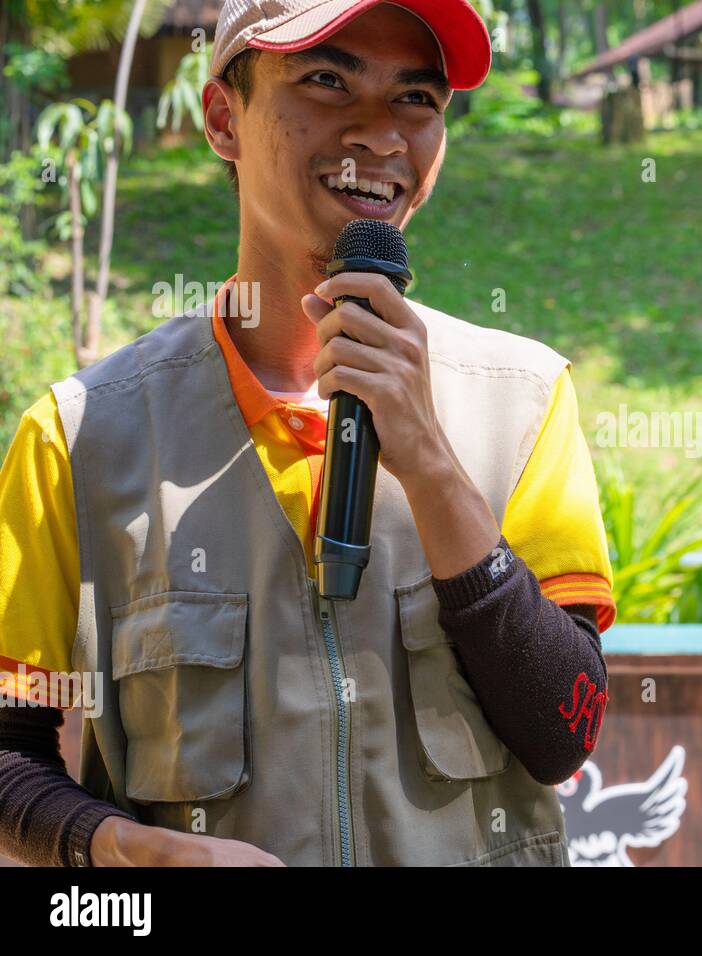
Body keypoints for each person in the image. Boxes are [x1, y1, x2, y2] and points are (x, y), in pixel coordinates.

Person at [0, 0, 615, 867]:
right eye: (328, 81)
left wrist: (431, 465)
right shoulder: (79, 435)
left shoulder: (524, 401)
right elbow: (7, 750)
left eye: (418, 99)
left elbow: (567, 732)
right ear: (223, 118)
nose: (382, 136)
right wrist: (135, 856)